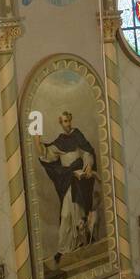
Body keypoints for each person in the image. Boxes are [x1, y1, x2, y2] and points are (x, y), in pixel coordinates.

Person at [37, 111, 99, 264]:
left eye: (69, 121)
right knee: (66, 215)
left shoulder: (77, 135)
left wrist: (89, 165)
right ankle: (63, 248)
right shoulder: (60, 141)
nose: (68, 124)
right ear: (61, 123)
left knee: (78, 212)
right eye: (65, 121)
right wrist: (37, 139)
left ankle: (80, 243)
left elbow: (87, 152)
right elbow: (47, 154)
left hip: (80, 180)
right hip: (67, 179)